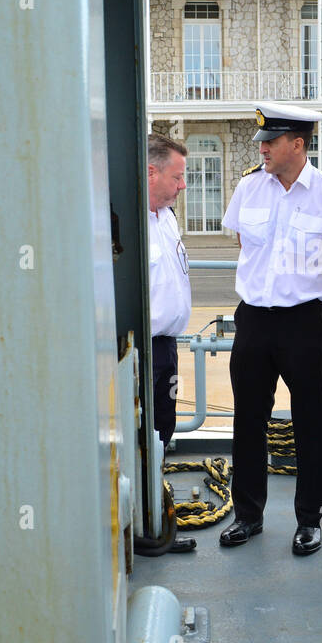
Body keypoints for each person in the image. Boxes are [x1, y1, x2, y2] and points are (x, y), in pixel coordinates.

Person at [219, 102, 322, 556]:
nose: (262, 148)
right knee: (248, 419)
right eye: (261, 141)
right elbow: (245, 243)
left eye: (270, 141)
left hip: (303, 321)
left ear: (298, 144)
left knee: (311, 421)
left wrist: (309, 291)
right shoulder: (249, 187)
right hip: (253, 319)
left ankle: (313, 519)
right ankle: (247, 515)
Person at [146, 133, 191, 450]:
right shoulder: (124, 223)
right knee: (141, 434)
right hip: (140, 354)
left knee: (164, 427)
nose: (183, 185)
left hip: (167, 348)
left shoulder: (167, 219)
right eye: (177, 177)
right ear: (151, 172)